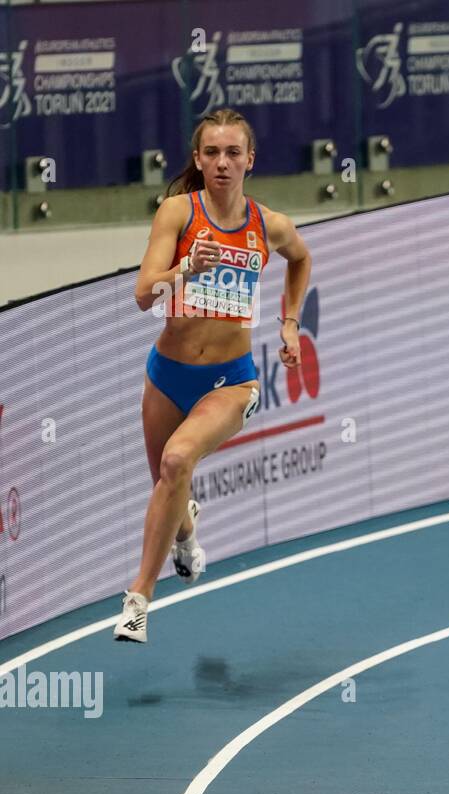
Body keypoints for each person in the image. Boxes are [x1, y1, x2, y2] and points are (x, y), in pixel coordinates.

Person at [113, 109, 311, 643]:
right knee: (169, 483)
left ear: (250, 159)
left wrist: (290, 324)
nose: (222, 163)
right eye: (211, 153)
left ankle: (138, 599)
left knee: (178, 460)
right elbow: (142, 296)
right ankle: (186, 535)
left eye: (232, 153)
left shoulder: (269, 226)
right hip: (166, 375)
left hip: (231, 382)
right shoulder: (178, 213)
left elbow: (301, 259)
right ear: (198, 161)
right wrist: (185, 270)